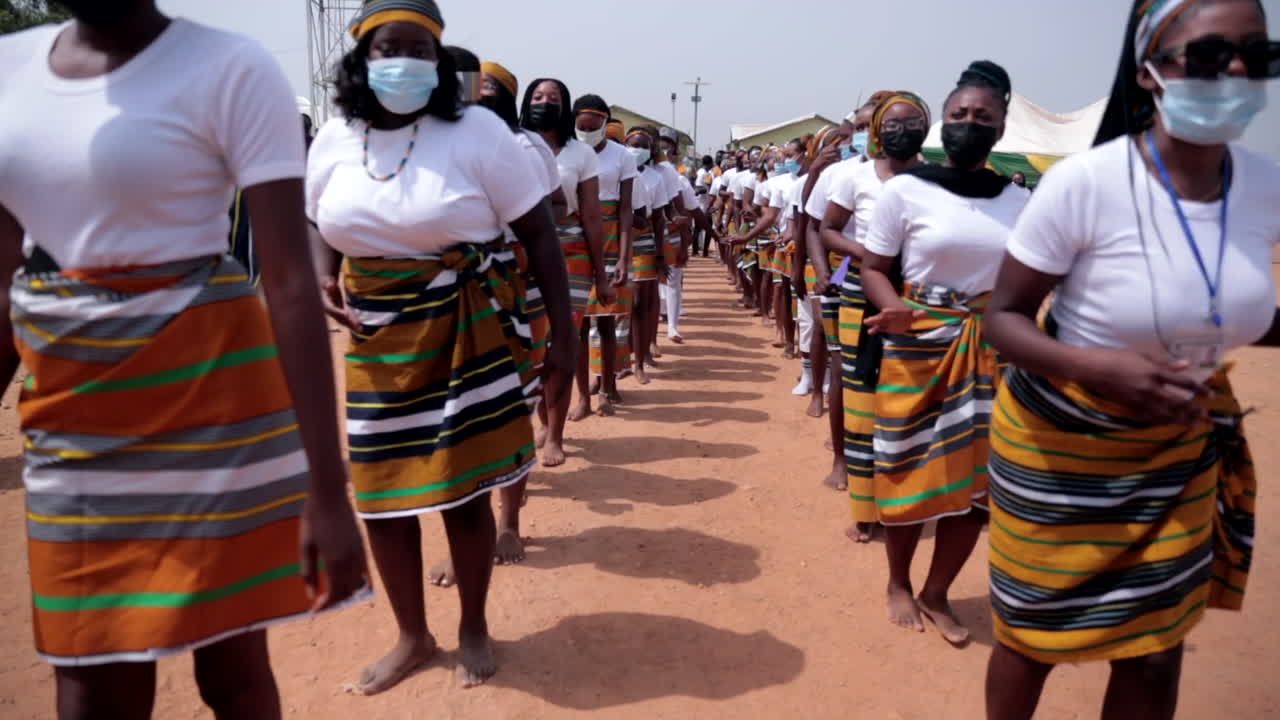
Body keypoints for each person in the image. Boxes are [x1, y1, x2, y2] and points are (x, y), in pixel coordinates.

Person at [0, 1, 369, 717]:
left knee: (231, 666)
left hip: (214, 409)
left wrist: (326, 490)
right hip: (73, 422)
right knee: (90, 674)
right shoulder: (7, 71)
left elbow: (291, 285)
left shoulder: (229, 68)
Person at [982, 2, 1277, 717]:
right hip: (1060, 448)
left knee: (1156, 644)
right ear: (1149, 71)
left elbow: (1229, 306)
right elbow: (1003, 318)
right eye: (1210, 54)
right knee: (1033, 635)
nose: (1237, 70)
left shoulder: (1265, 186)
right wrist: (1096, 368)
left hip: (1179, 447)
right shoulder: (1086, 183)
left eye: (1259, 55)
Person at [306, 0, 574, 691]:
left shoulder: (479, 132)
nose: (406, 62)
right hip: (376, 340)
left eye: (421, 50)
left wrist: (565, 341)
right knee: (380, 493)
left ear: (439, 60)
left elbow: (540, 235)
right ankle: (412, 635)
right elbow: (316, 220)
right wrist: (322, 273)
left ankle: (473, 625)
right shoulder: (335, 136)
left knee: (462, 492)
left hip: (466, 327)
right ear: (362, 57)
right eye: (389, 48)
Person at [860, 61, 1030, 645]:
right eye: (959, 113)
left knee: (980, 483)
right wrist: (894, 308)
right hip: (916, 343)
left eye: (983, 116)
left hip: (989, 351)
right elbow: (874, 268)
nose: (969, 123)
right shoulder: (906, 191)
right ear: (943, 121)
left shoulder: (1019, 201)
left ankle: (937, 591)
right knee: (908, 466)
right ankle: (899, 582)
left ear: (1001, 128)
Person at [820, 92, 931, 544]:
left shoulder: (936, 179)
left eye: (912, 123)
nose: (900, 131)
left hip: (915, 295)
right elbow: (827, 229)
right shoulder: (855, 176)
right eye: (891, 124)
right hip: (859, 291)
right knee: (862, 398)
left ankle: (905, 503)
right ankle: (865, 510)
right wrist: (866, 253)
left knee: (909, 398)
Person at [520, 77, 610, 466]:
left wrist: (602, 273)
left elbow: (591, 214)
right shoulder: (513, 144)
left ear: (565, 106)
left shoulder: (580, 155)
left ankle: (556, 433)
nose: (545, 102)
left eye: (553, 97)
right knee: (531, 343)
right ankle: (542, 419)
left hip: (570, 250)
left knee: (563, 337)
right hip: (522, 250)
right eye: (538, 96)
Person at [805, 98, 879, 490]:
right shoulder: (840, 173)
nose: (866, 133)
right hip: (843, 272)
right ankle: (842, 457)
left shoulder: (917, 175)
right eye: (861, 127)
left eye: (873, 125)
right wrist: (822, 272)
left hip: (895, 279)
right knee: (843, 367)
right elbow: (814, 226)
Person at [574, 95, 637, 412]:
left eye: (592, 127)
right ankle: (583, 396)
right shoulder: (569, 152)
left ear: (605, 123)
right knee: (579, 324)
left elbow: (626, 210)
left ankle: (607, 387)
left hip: (611, 239)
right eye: (581, 127)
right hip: (578, 238)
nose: (587, 132)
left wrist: (624, 257)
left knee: (607, 320)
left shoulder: (622, 156)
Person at [624, 127, 670, 384]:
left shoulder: (655, 178)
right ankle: (622, 358)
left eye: (643, 146)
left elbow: (659, 219)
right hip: (614, 239)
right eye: (633, 145)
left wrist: (660, 256)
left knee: (640, 304)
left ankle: (640, 361)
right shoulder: (615, 170)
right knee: (620, 306)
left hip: (643, 241)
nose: (637, 150)